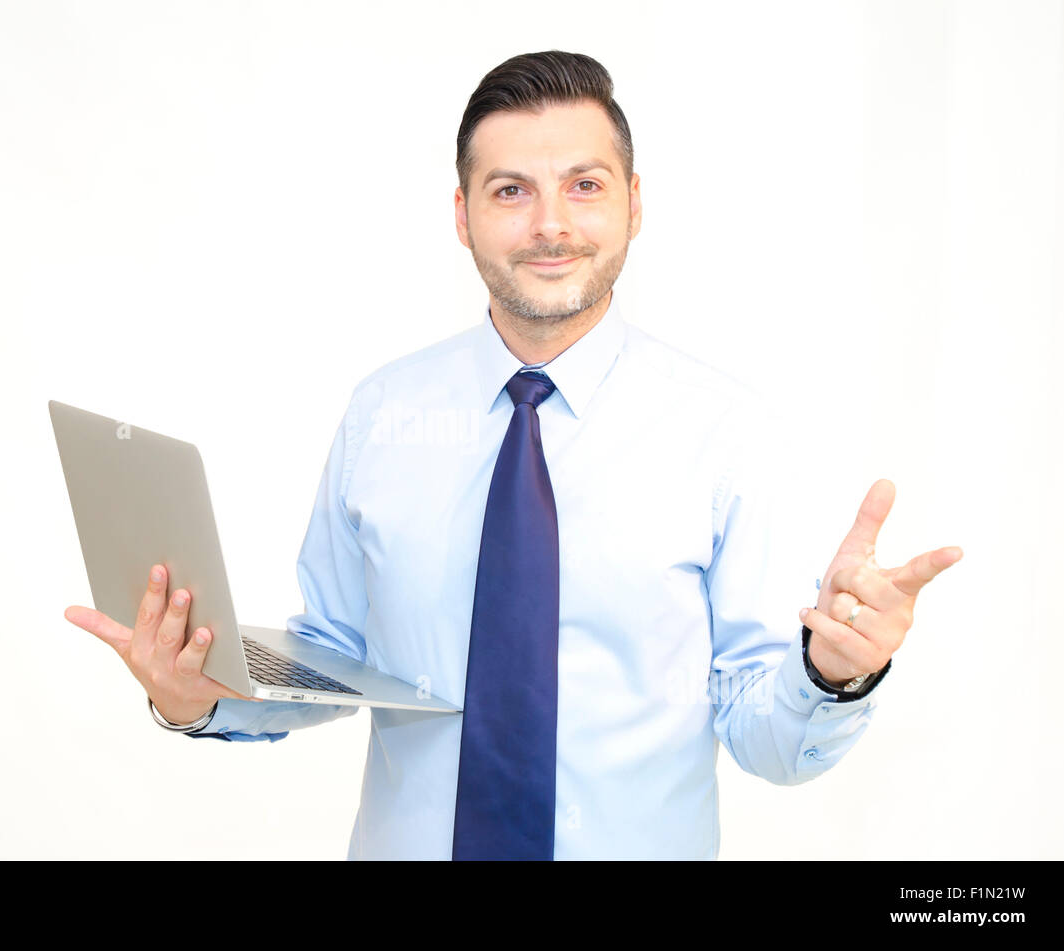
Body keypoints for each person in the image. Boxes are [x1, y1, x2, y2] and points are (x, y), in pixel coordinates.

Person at [64, 50, 962, 860]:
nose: (549, 225)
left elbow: (764, 734)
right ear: (461, 214)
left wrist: (834, 673)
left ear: (635, 202)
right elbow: (334, 658)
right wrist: (198, 692)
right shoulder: (384, 410)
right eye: (510, 191)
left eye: (584, 185)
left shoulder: (725, 432)